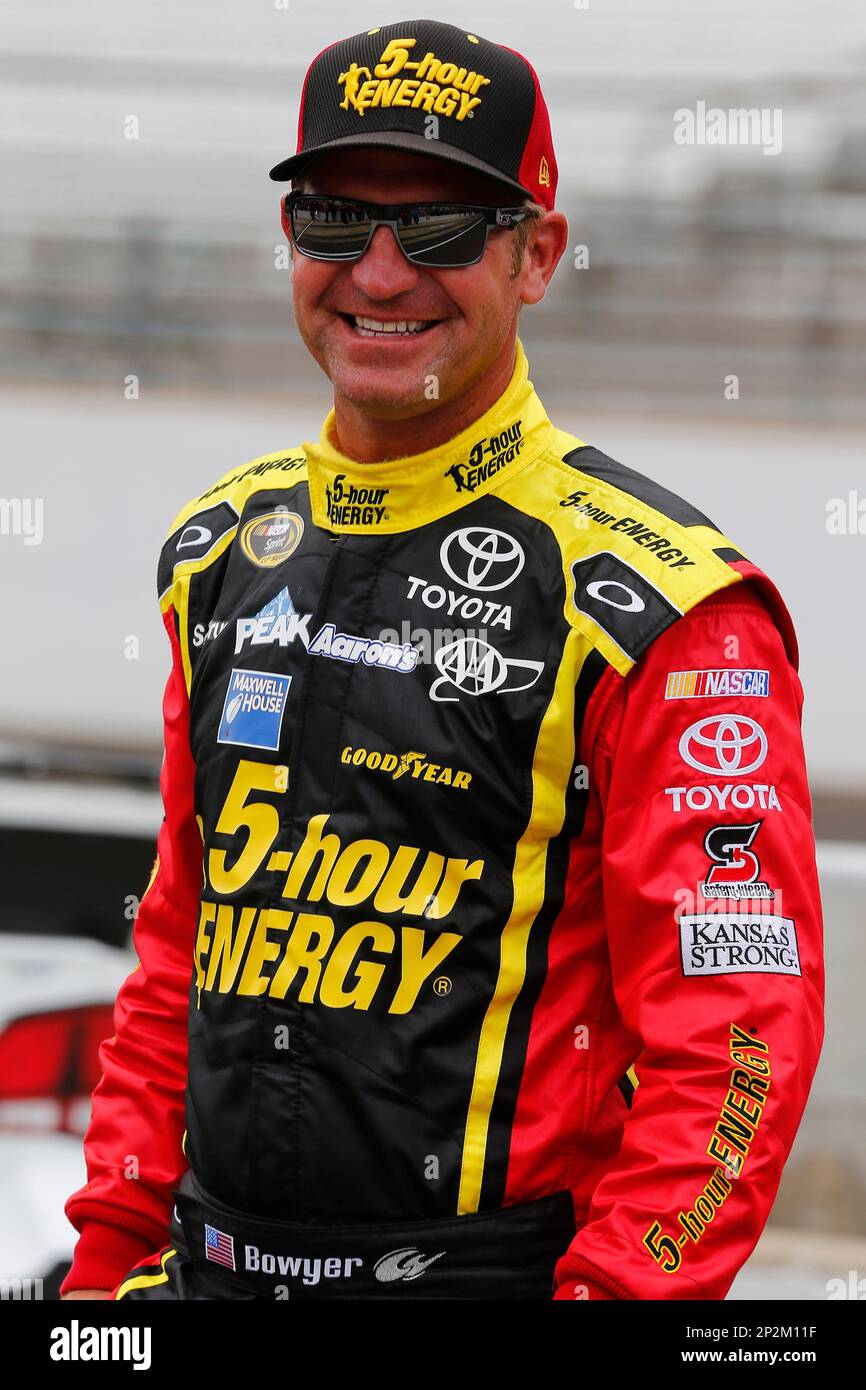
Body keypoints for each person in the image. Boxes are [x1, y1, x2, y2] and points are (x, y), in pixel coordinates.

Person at [61, 18, 823, 1302]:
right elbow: (176, 954)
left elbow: (735, 1040)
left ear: (536, 256)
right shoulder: (219, 551)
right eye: (331, 218)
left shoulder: (661, 605)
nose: (379, 270)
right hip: (202, 1272)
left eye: (440, 230)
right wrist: (104, 1270)